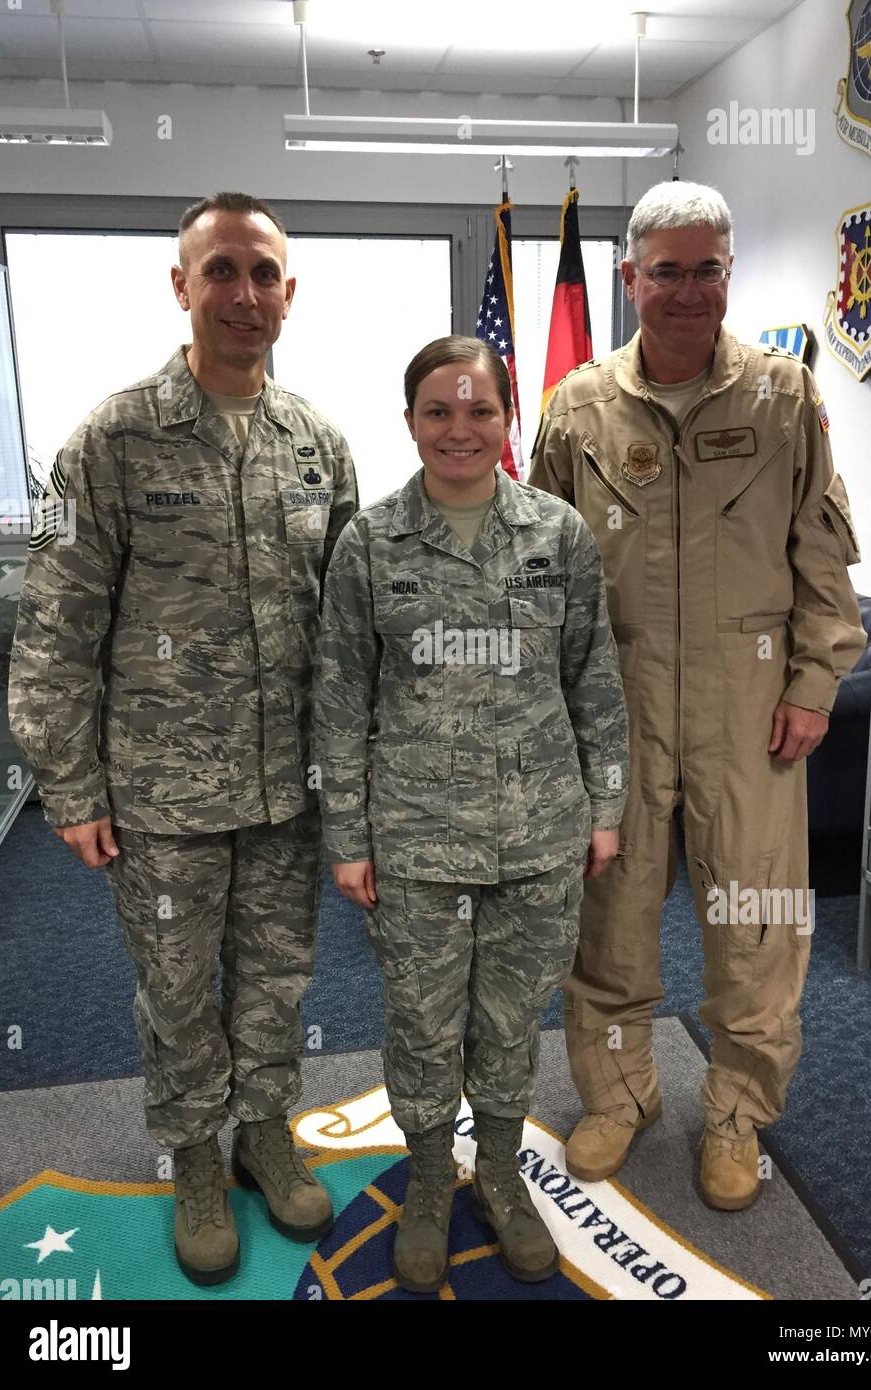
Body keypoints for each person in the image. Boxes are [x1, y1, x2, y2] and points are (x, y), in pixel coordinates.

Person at [9, 191, 358, 1284]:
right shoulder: (106, 443)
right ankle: (195, 1156)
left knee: (275, 980)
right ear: (181, 285)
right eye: (221, 272)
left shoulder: (319, 444)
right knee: (174, 988)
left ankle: (264, 1131)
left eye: (262, 273)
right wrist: (67, 784)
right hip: (161, 789)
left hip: (287, 786)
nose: (243, 294)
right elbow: (55, 619)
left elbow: (347, 631)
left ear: (288, 294)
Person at [529, 181, 866, 1211]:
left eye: (704, 269)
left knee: (755, 923)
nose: (684, 291)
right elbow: (537, 563)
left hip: (749, 707)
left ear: (729, 274)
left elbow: (822, 551)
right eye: (664, 271)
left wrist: (814, 681)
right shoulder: (575, 407)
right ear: (629, 278)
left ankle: (733, 1113)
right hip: (615, 705)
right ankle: (619, 1092)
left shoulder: (780, 396)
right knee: (611, 919)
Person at [312, 335, 628, 1292]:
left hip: (539, 835)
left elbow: (595, 679)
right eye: (439, 412)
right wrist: (347, 837)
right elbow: (339, 697)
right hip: (414, 844)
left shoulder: (559, 533)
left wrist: (605, 806)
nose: (460, 430)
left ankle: (497, 1172)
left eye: (479, 410)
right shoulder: (370, 543)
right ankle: (427, 1182)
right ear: (410, 421)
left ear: (507, 417)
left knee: (505, 1023)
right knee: (419, 1025)